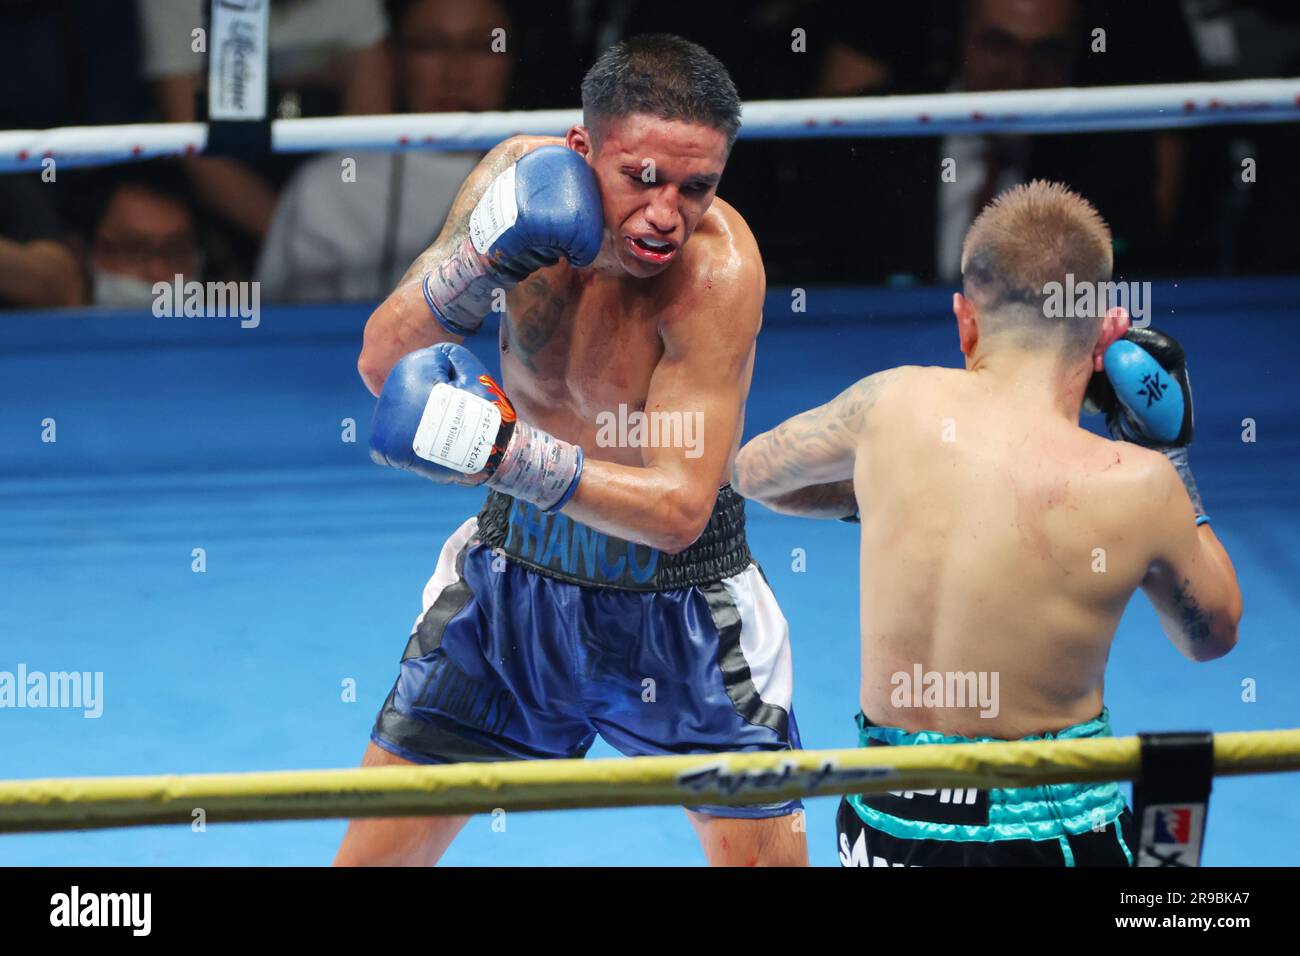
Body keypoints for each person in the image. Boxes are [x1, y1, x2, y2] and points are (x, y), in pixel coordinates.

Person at [334, 34, 808, 867]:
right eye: (643, 179)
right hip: (512, 579)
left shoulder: (716, 273)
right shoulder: (515, 179)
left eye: (697, 187)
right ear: (581, 149)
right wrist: (478, 264)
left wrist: (504, 454)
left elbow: (677, 512)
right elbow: (382, 363)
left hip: (680, 609)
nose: (667, 214)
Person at [733, 180, 1242, 867]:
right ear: (1109, 333)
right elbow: (1212, 635)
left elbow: (754, 472)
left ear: (963, 319)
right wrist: (1173, 455)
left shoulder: (891, 403)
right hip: (1056, 836)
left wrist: (879, 497)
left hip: (886, 823)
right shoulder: (1140, 483)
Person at [256, 0, 513, 302]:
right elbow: (278, 330)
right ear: (395, 58)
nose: (455, 73)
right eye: (430, 46)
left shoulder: (540, 179)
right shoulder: (325, 187)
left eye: (481, 47)